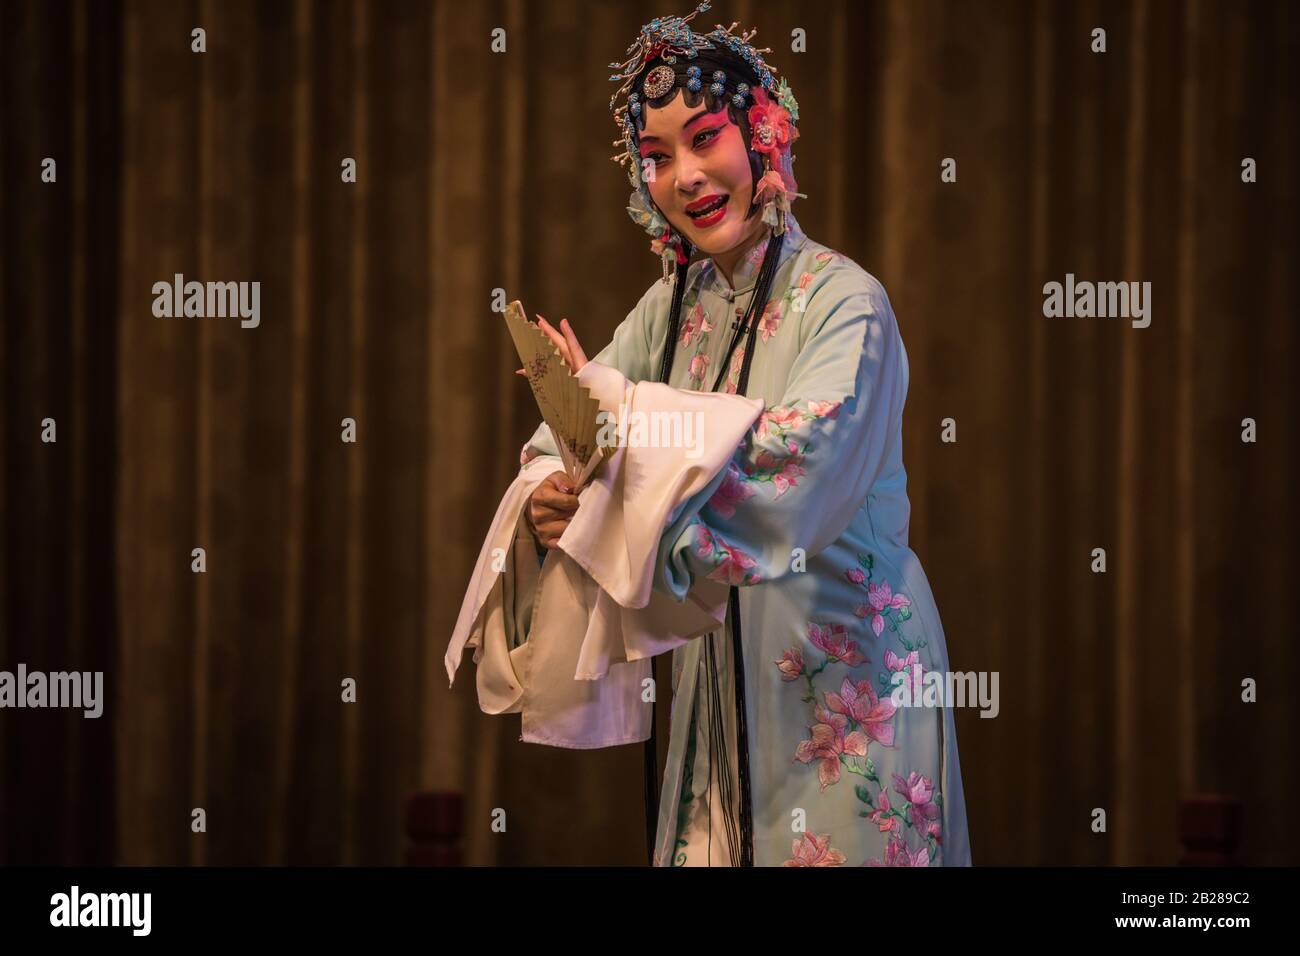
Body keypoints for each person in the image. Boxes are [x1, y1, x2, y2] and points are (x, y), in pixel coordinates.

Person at [516, 2, 971, 867]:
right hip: (718, 689)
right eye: (657, 157)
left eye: (705, 138)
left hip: (849, 685)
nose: (685, 176)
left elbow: (797, 461)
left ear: (764, 135)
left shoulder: (844, 302)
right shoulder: (670, 309)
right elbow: (564, 439)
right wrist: (557, 490)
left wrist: (621, 451)